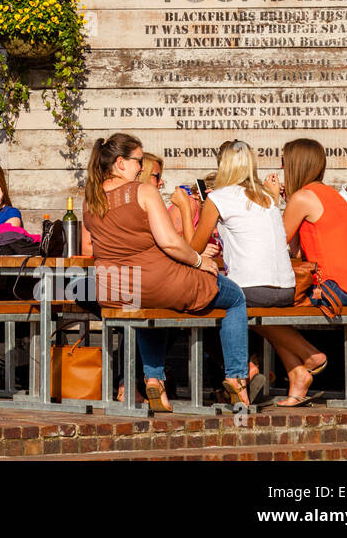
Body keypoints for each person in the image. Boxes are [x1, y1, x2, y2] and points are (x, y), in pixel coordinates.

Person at [82, 133, 250, 413]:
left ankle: (155, 381)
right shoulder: (142, 191)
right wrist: (198, 261)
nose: (141, 168)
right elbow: (170, 242)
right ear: (121, 163)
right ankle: (236, 377)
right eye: (138, 161)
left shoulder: (90, 199)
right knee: (234, 297)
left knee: (149, 305)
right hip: (156, 280)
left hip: (115, 289)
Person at [192, 141, 327, 407]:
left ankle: (304, 355)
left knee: (221, 306)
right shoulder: (267, 197)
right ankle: (296, 370)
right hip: (286, 288)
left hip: (253, 288)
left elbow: (194, 248)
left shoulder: (218, 198)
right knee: (257, 313)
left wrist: (188, 210)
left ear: (224, 166)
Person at [278, 138, 347, 310]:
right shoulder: (331, 195)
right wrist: (290, 203)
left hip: (330, 286)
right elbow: (297, 252)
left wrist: (272, 201)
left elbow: (274, 244)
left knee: (259, 305)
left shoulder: (303, 198)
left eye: (284, 162)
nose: (282, 168)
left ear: (297, 164)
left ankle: (300, 340)